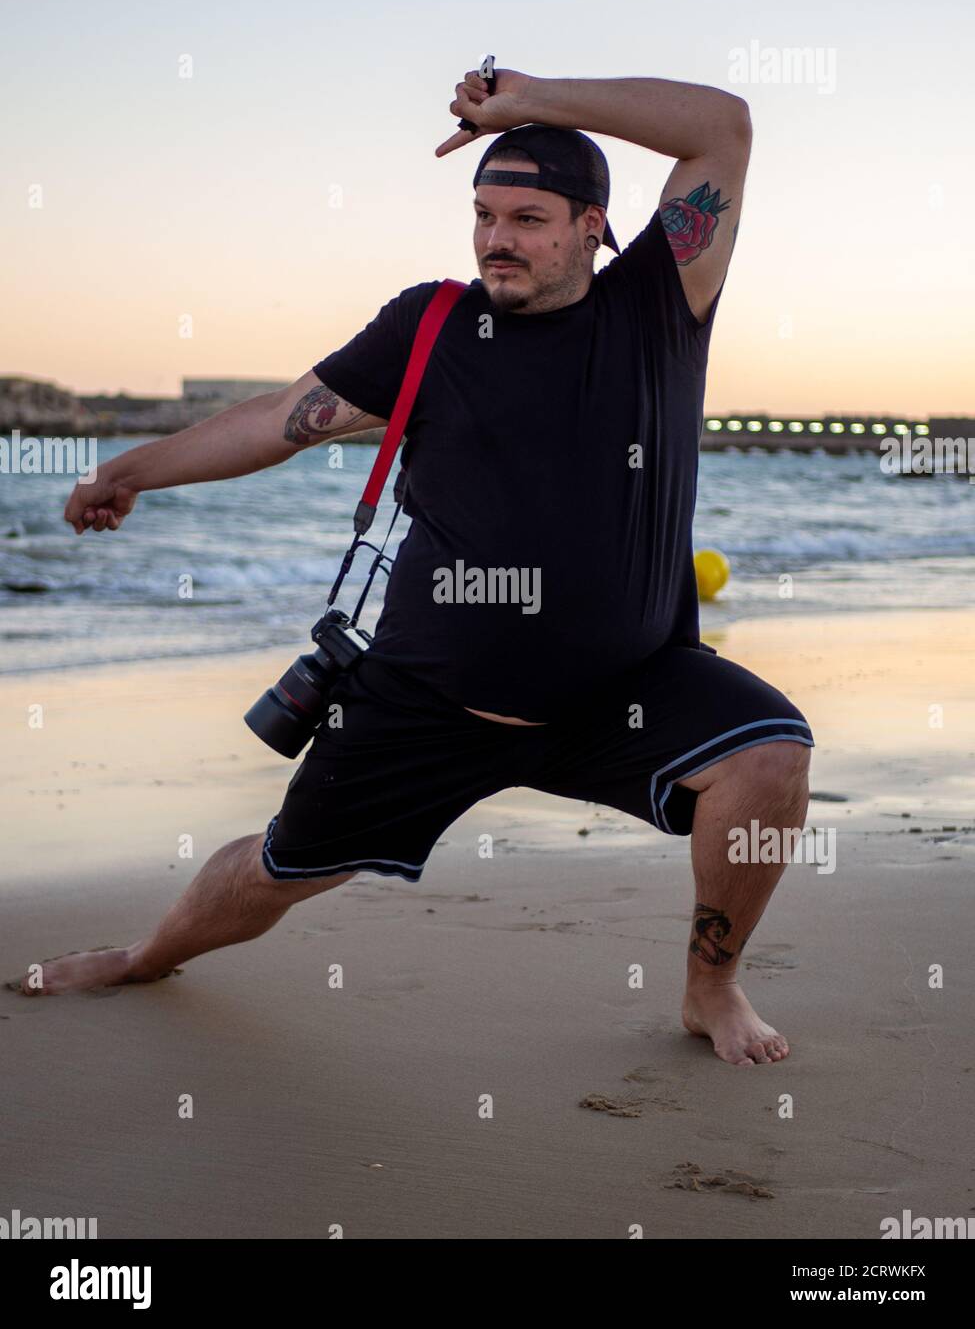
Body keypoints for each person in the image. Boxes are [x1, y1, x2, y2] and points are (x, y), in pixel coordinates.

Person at [26, 67, 814, 1067]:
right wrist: (132, 469)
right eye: (484, 213)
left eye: (529, 216)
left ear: (592, 227)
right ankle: (146, 956)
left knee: (771, 758)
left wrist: (534, 96)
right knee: (271, 873)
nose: (498, 237)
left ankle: (712, 988)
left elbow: (723, 127)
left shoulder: (659, 302)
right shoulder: (431, 325)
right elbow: (280, 422)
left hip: (622, 692)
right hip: (429, 699)